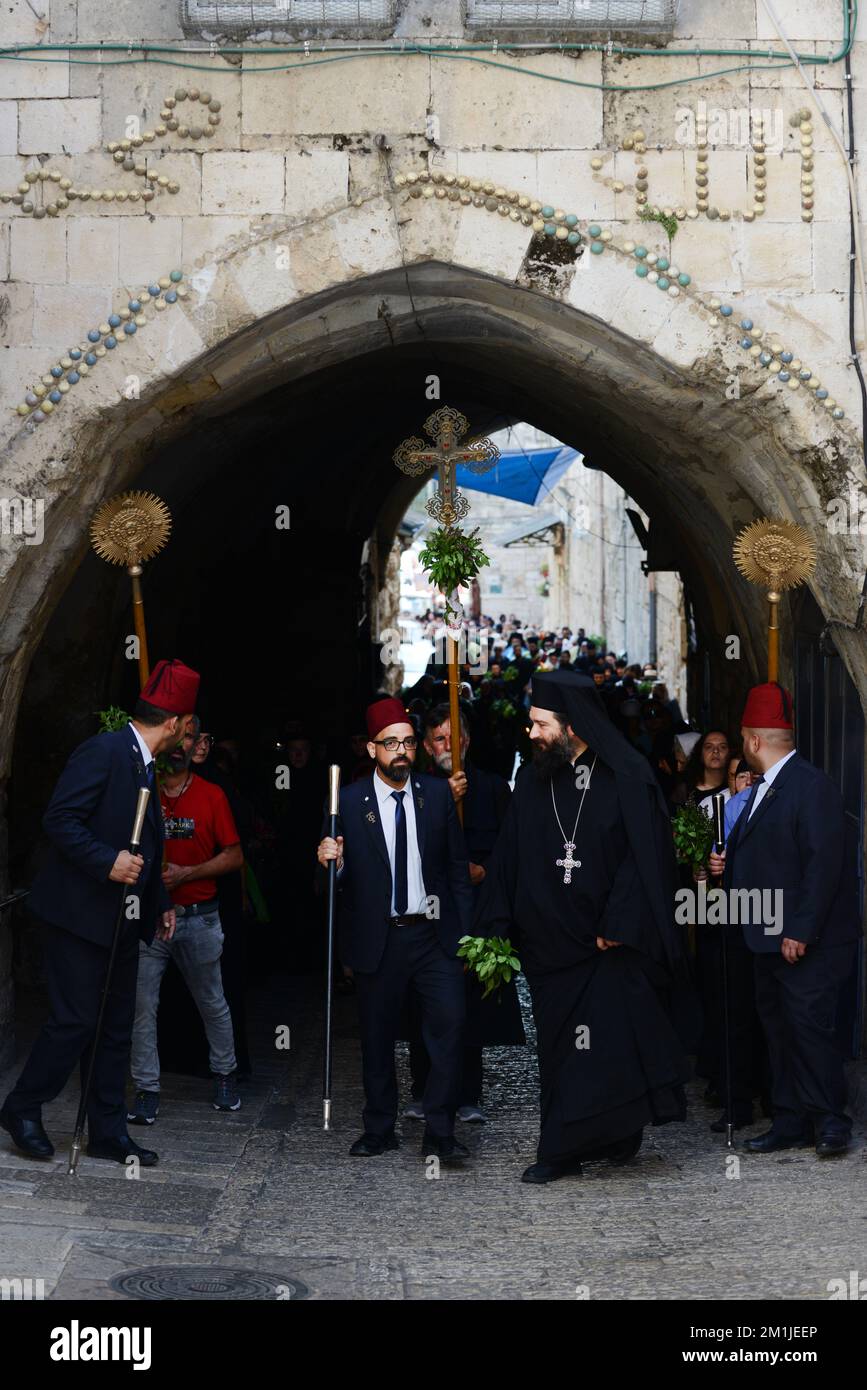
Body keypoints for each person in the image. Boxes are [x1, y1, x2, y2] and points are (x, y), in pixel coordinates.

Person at [477, 669, 691, 1184]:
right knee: (558, 1052)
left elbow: (647, 858)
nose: (530, 734)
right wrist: (495, 923)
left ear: (571, 726)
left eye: (539, 724)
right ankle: (592, 1137)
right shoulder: (531, 781)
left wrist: (620, 919)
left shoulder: (627, 776)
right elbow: (507, 857)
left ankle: (567, 1148)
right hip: (548, 947)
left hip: (604, 946)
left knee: (604, 1050)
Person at [0, 659, 199, 1166]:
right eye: (189, 725)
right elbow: (60, 819)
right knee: (74, 1021)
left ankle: (107, 1130)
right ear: (175, 723)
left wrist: (159, 904)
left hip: (123, 921)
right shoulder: (104, 751)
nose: (190, 735)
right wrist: (107, 861)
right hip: (78, 917)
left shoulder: (144, 762)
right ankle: (22, 1107)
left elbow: (147, 847)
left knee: (114, 1027)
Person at [317, 697, 473, 1162]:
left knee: (449, 1028)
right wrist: (333, 863)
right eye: (391, 743)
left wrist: (464, 936)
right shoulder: (345, 802)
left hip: (433, 936)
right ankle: (380, 1126)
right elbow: (326, 884)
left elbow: (457, 870)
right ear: (372, 749)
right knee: (377, 1037)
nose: (401, 750)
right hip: (379, 938)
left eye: (407, 742)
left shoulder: (438, 794)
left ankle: (440, 1132)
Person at [709, 683, 861, 1157]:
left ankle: (830, 1121)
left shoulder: (810, 786)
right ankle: (790, 1119)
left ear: (753, 741)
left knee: (810, 1030)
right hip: (764, 937)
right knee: (778, 1032)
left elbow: (824, 863)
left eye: (742, 741)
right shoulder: (764, 789)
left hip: (803, 940)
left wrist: (801, 928)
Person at [405, 705, 524, 1124]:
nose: (447, 747)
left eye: (454, 739)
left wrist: (486, 870)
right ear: (425, 745)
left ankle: (468, 1091)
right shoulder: (413, 790)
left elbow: (513, 852)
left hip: (477, 911)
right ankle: (423, 1087)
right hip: (428, 914)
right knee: (426, 1002)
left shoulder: (492, 789)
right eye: (439, 739)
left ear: (468, 742)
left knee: (470, 1003)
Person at [128, 712, 243, 1124]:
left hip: (199, 916)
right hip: (150, 918)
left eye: (188, 738)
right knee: (142, 1004)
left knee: (211, 1000)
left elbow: (234, 856)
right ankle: (146, 1088)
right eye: (175, 737)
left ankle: (225, 1074)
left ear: (196, 746)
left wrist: (187, 874)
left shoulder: (212, 796)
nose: (179, 746)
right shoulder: (142, 789)